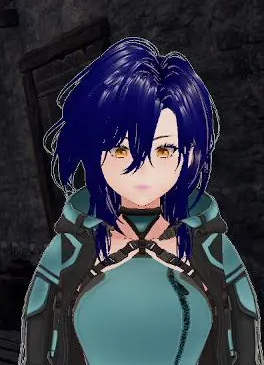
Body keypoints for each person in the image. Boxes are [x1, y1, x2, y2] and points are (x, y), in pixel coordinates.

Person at [19, 37, 260, 365]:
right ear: (93, 149)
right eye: (121, 150)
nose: (143, 169)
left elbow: (245, 322)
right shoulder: (71, 245)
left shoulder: (210, 244)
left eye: (164, 149)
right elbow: (38, 321)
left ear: (190, 153)